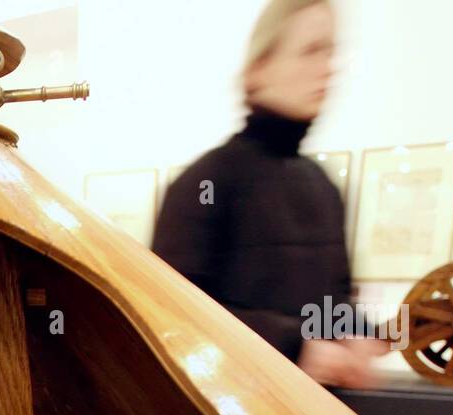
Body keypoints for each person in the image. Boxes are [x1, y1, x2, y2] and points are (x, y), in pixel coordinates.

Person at [153, 0, 382, 388]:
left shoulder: (322, 184)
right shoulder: (206, 182)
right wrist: (295, 348)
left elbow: (331, 299)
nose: (328, 68)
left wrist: (356, 332)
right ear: (258, 69)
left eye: (331, 51)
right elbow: (173, 317)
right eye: (311, 51)